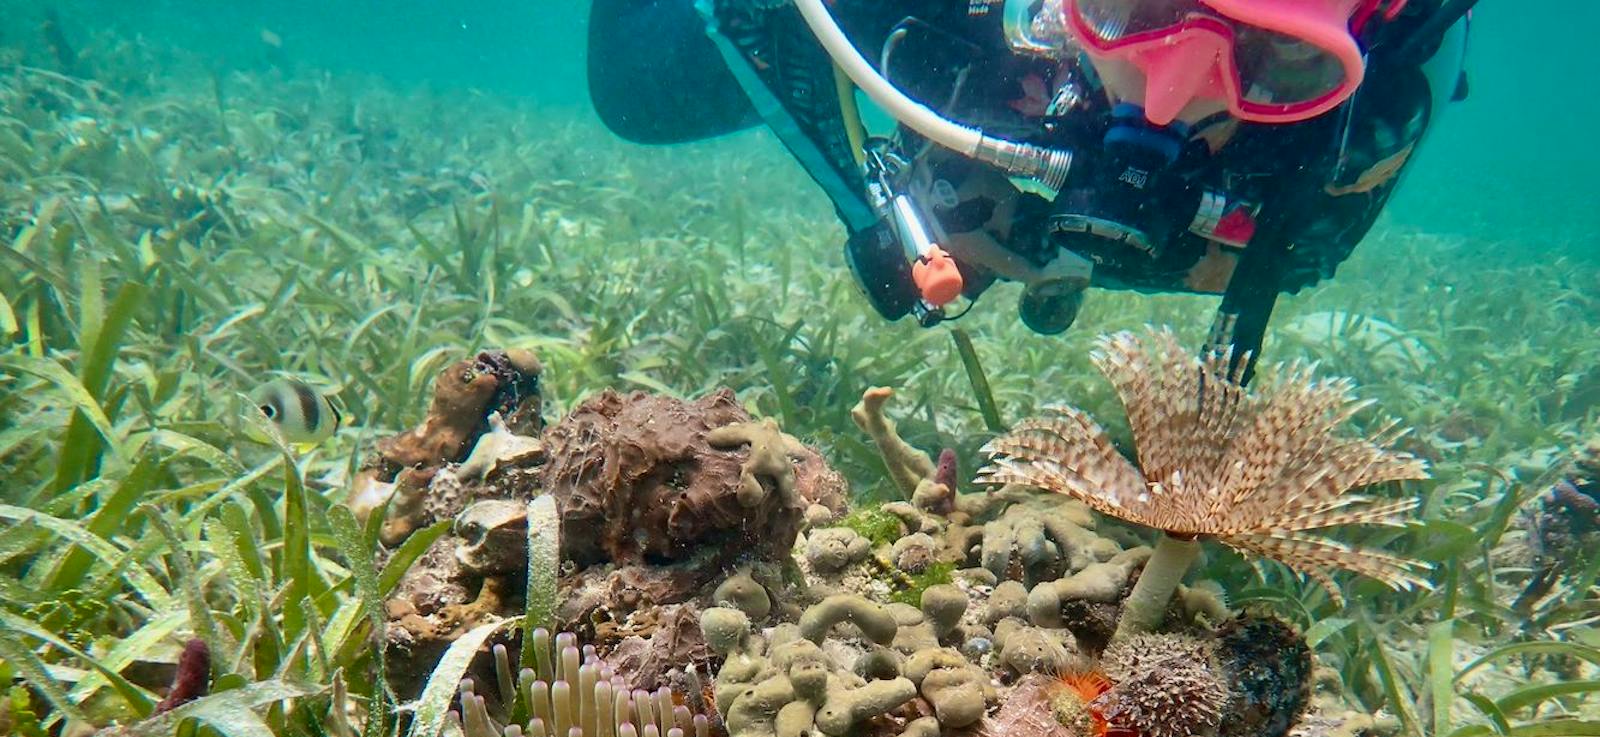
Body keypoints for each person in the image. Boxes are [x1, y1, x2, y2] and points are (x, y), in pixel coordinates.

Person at [586, 0, 1471, 375]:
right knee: (638, 90)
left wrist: (1051, 248)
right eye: (1138, 10)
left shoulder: (1371, 113)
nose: (1170, 95)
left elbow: (1297, 255)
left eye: (1277, 61)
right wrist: (872, 206)